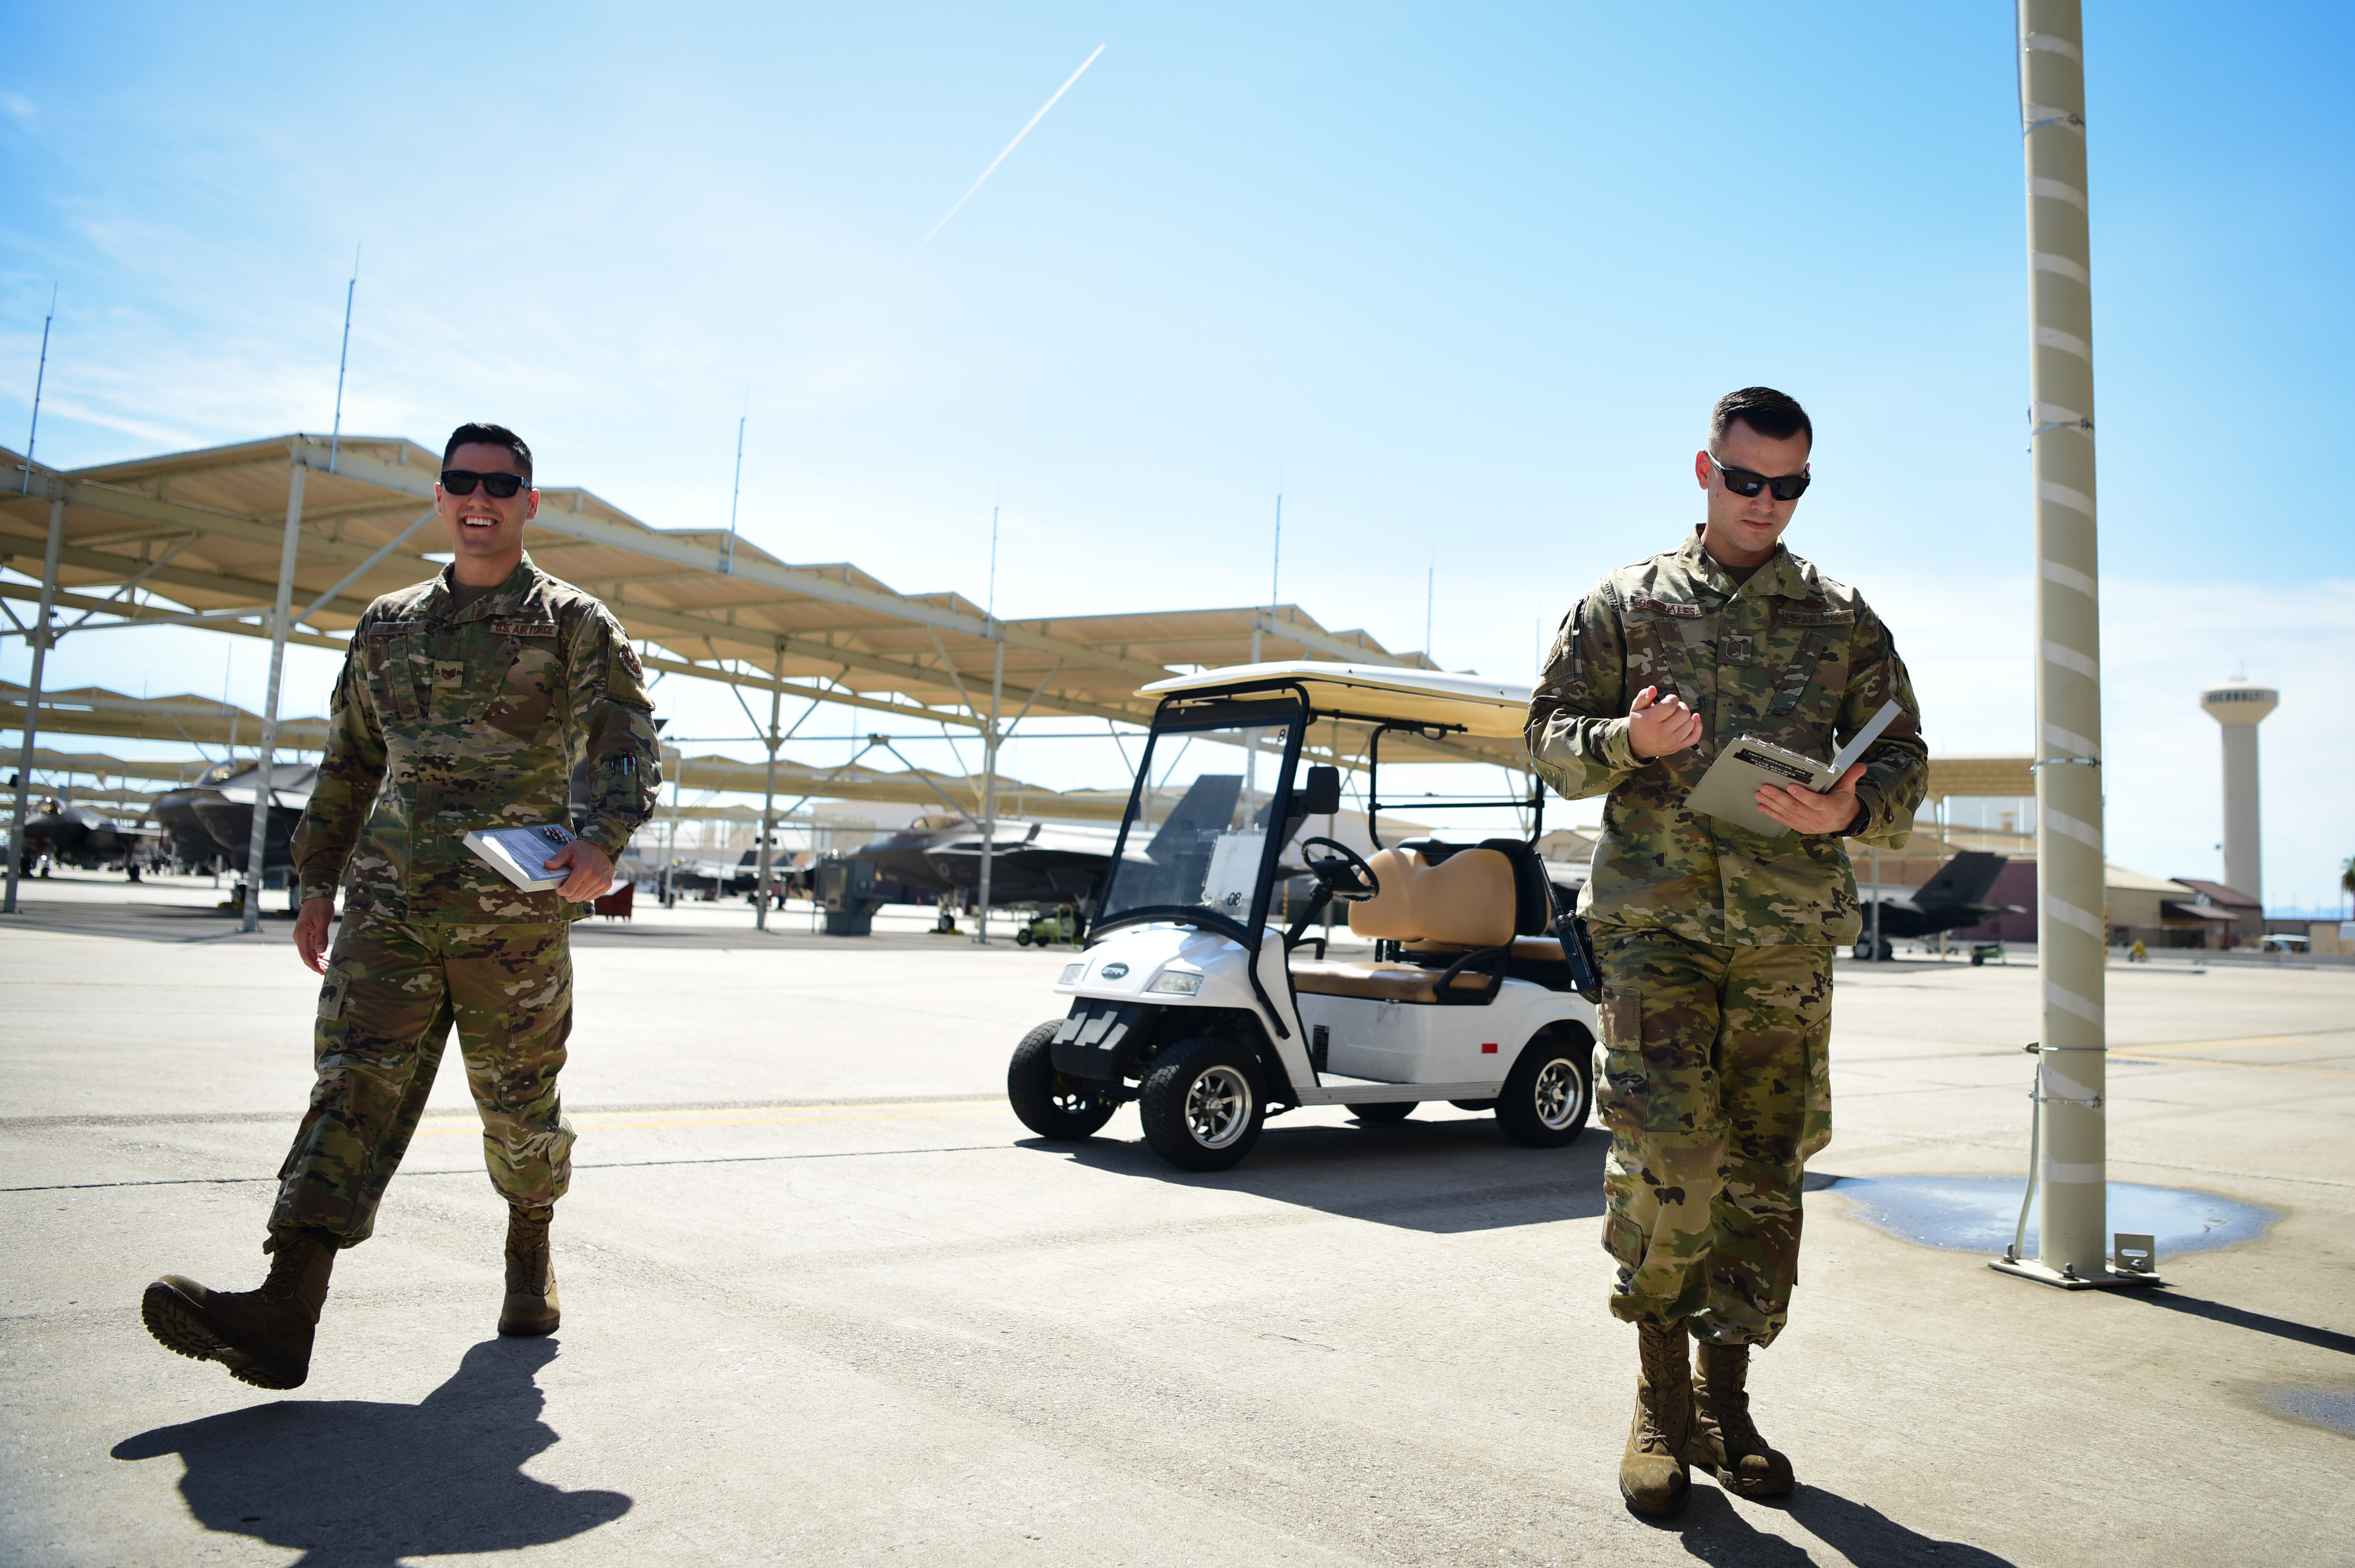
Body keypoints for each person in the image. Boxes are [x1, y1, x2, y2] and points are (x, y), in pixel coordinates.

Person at [142, 422, 663, 1390]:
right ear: (439, 496)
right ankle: (284, 1305)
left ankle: (527, 1250)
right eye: (461, 481)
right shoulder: (386, 624)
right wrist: (314, 876)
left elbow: (628, 738)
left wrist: (606, 840)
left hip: (512, 918)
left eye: (499, 484)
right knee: (350, 1085)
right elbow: (349, 758)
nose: (480, 498)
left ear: (528, 502)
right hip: (387, 904)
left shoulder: (572, 621)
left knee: (517, 1110)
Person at [1525, 387, 1927, 1517]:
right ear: (1703, 471)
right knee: (1669, 1159)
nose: (1765, 505)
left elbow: (1903, 759)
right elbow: (1547, 742)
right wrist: (1626, 740)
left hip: (1783, 943)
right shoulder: (1624, 604)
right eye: (1746, 481)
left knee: (1762, 1172)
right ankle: (1657, 1400)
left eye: (1787, 486)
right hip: (1655, 930)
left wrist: (1846, 812)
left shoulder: (1841, 619)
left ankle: (1725, 1404)